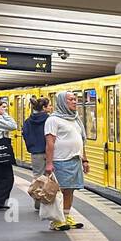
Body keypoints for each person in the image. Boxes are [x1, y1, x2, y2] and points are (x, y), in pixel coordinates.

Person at [44, 91, 90, 231]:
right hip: (60, 160)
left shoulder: (75, 119)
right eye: (71, 99)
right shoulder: (53, 120)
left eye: (75, 99)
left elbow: (80, 141)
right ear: (63, 102)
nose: (75, 101)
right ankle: (56, 220)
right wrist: (49, 163)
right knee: (58, 192)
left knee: (70, 191)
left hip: (75, 159)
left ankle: (66, 216)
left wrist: (85, 160)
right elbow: (50, 143)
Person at [22, 96, 51, 211]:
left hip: (36, 153)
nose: (51, 107)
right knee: (50, 177)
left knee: (38, 177)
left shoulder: (28, 120)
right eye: (49, 105)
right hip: (49, 151)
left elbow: (25, 135)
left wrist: (32, 147)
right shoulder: (49, 119)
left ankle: (37, 201)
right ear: (44, 107)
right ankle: (49, 200)